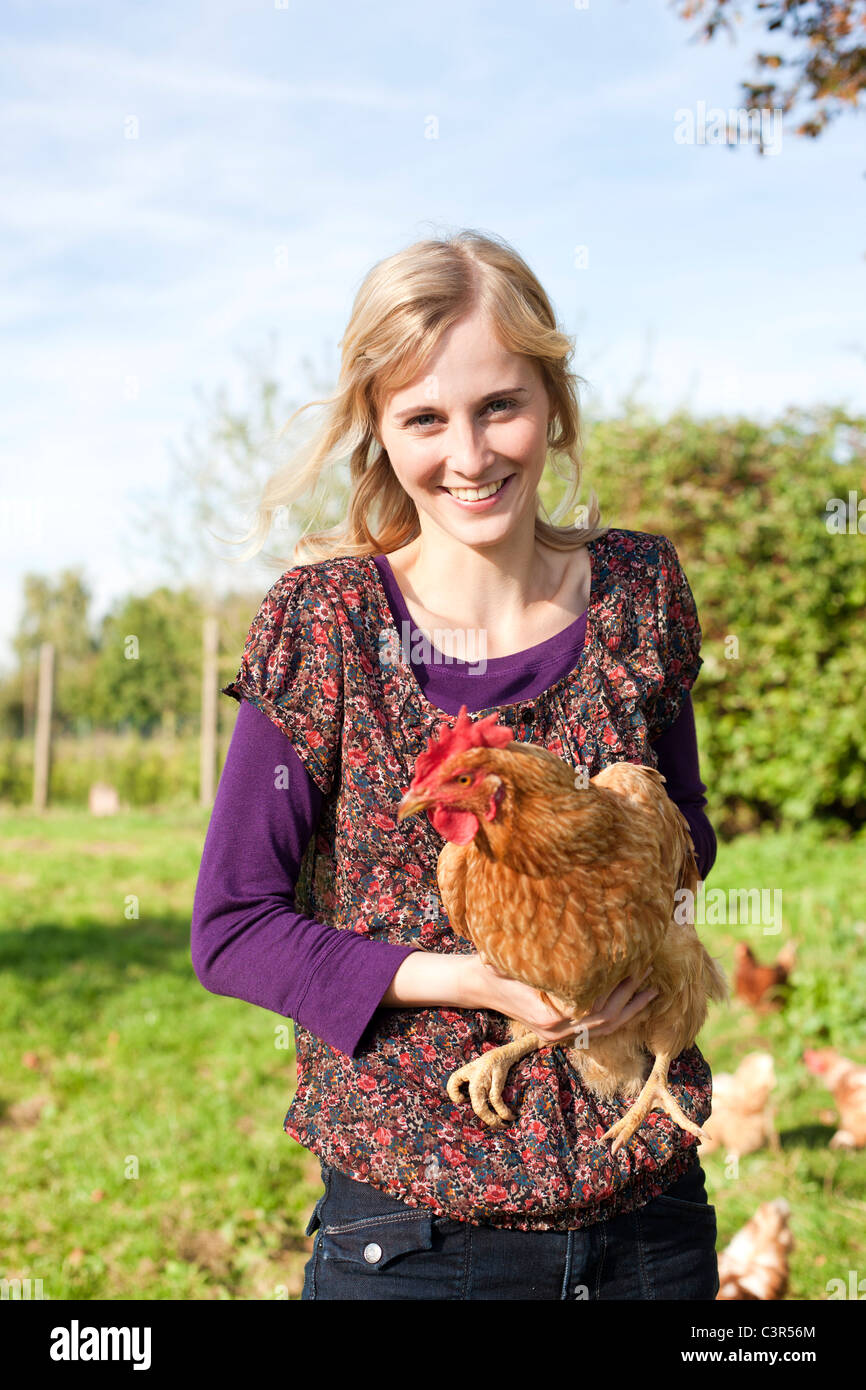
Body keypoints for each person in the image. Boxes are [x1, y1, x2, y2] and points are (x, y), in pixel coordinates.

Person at [191, 228, 720, 1300]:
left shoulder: (636, 591)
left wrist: (622, 948)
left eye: (498, 407)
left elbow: (688, 840)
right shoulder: (326, 624)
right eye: (424, 418)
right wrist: (475, 980)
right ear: (379, 434)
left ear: (552, 407)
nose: (469, 455)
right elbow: (231, 927)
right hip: (415, 1230)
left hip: (646, 1213)